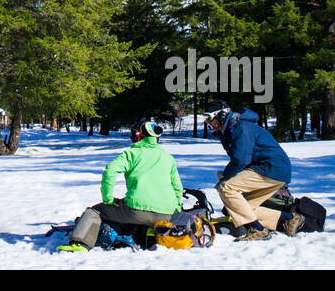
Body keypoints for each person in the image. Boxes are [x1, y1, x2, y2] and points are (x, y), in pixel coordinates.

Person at [63, 121, 182, 250]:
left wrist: (108, 199)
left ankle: (80, 243)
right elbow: (177, 188)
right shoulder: (168, 158)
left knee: (95, 210)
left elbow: (110, 171)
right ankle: (149, 233)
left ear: (139, 135)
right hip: (167, 214)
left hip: (136, 211)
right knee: (145, 214)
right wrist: (177, 207)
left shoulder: (131, 154)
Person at [208, 107, 303, 241]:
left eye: (209, 118)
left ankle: (258, 229)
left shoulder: (241, 127)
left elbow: (241, 159)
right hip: (274, 170)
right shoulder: (231, 129)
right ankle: (289, 219)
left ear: (221, 115)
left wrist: (226, 176)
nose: (208, 123)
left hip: (270, 168)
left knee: (226, 187)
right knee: (240, 207)